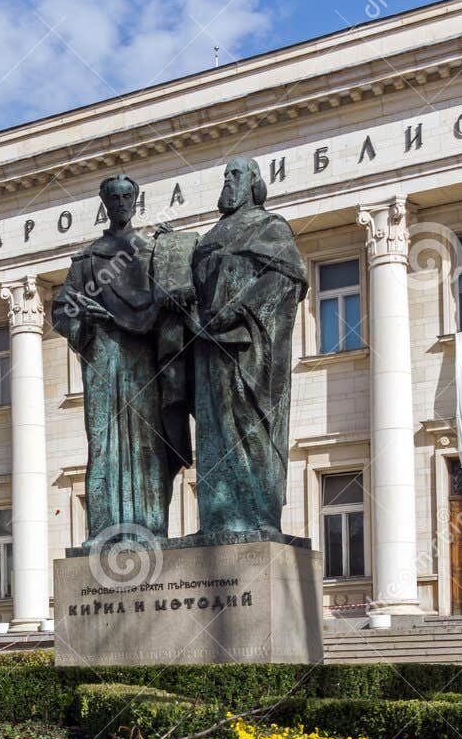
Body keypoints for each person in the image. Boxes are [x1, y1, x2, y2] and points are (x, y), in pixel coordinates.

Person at [51, 173, 195, 544]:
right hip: (103, 360)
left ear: (136, 201)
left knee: (148, 445)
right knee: (104, 444)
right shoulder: (86, 261)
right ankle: (106, 530)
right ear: (104, 204)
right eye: (112, 198)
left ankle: (150, 528)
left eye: (126, 197)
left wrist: (173, 250)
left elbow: (177, 297)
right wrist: (84, 318)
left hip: (146, 361)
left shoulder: (151, 253)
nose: (119, 204)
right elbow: (62, 310)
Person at [190, 156, 308, 541]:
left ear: (254, 183)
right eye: (225, 175)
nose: (228, 182)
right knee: (212, 430)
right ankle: (218, 520)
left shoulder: (270, 227)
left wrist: (238, 307)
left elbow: (286, 282)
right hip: (208, 345)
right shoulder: (210, 236)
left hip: (249, 348)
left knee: (248, 424)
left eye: (236, 175)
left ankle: (258, 515)